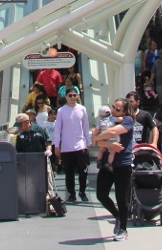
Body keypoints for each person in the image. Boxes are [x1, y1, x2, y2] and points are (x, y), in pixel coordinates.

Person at [92, 98, 135, 241]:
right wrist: (108, 145)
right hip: (107, 163)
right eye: (113, 107)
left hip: (122, 163)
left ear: (124, 111)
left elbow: (112, 133)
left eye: (117, 109)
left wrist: (98, 138)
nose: (114, 111)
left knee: (121, 197)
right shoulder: (106, 120)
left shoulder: (127, 120)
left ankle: (123, 228)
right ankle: (117, 215)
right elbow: (95, 142)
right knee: (101, 194)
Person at [52, 87, 91, 203]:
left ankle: (82, 192)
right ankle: (71, 194)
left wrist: (88, 143)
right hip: (66, 147)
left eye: (75, 95)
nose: (73, 98)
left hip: (80, 144)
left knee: (83, 171)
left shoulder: (82, 109)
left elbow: (86, 127)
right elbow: (58, 129)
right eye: (70, 95)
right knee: (69, 173)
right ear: (66, 97)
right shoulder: (61, 111)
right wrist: (57, 145)